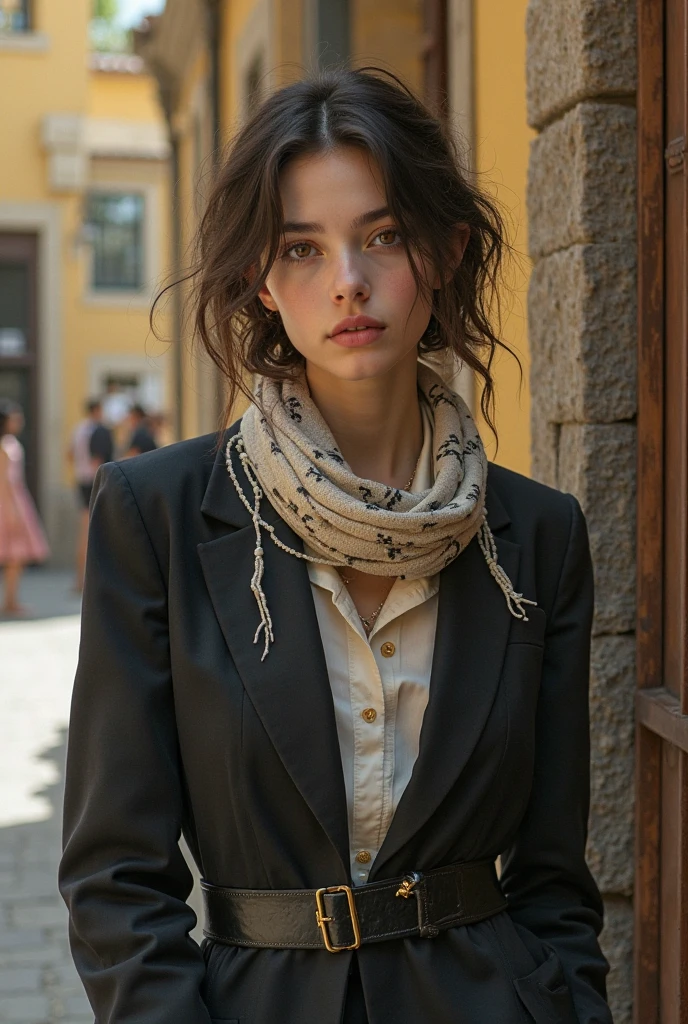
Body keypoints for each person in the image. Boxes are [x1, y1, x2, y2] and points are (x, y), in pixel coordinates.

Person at [60, 69, 613, 1024]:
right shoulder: (158, 513)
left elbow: (556, 880)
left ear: (445, 252)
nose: (348, 280)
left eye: (383, 235)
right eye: (302, 249)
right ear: (261, 284)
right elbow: (115, 877)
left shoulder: (540, 538)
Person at [0, 399, 50, 616]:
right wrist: (12, 509)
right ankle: (10, 602)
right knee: (14, 555)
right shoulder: (5, 445)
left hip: (13, 500)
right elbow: (5, 480)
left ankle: (11, 601)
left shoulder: (9, 443)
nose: (18, 421)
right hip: (9, 502)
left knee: (15, 556)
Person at [68, 398, 113, 591]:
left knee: (83, 531)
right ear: (97, 410)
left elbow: (69, 455)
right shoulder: (98, 430)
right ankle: (88, 582)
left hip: (81, 480)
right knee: (95, 531)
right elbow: (98, 459)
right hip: (94, 481)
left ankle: (79, 581)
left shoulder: (78, 429)